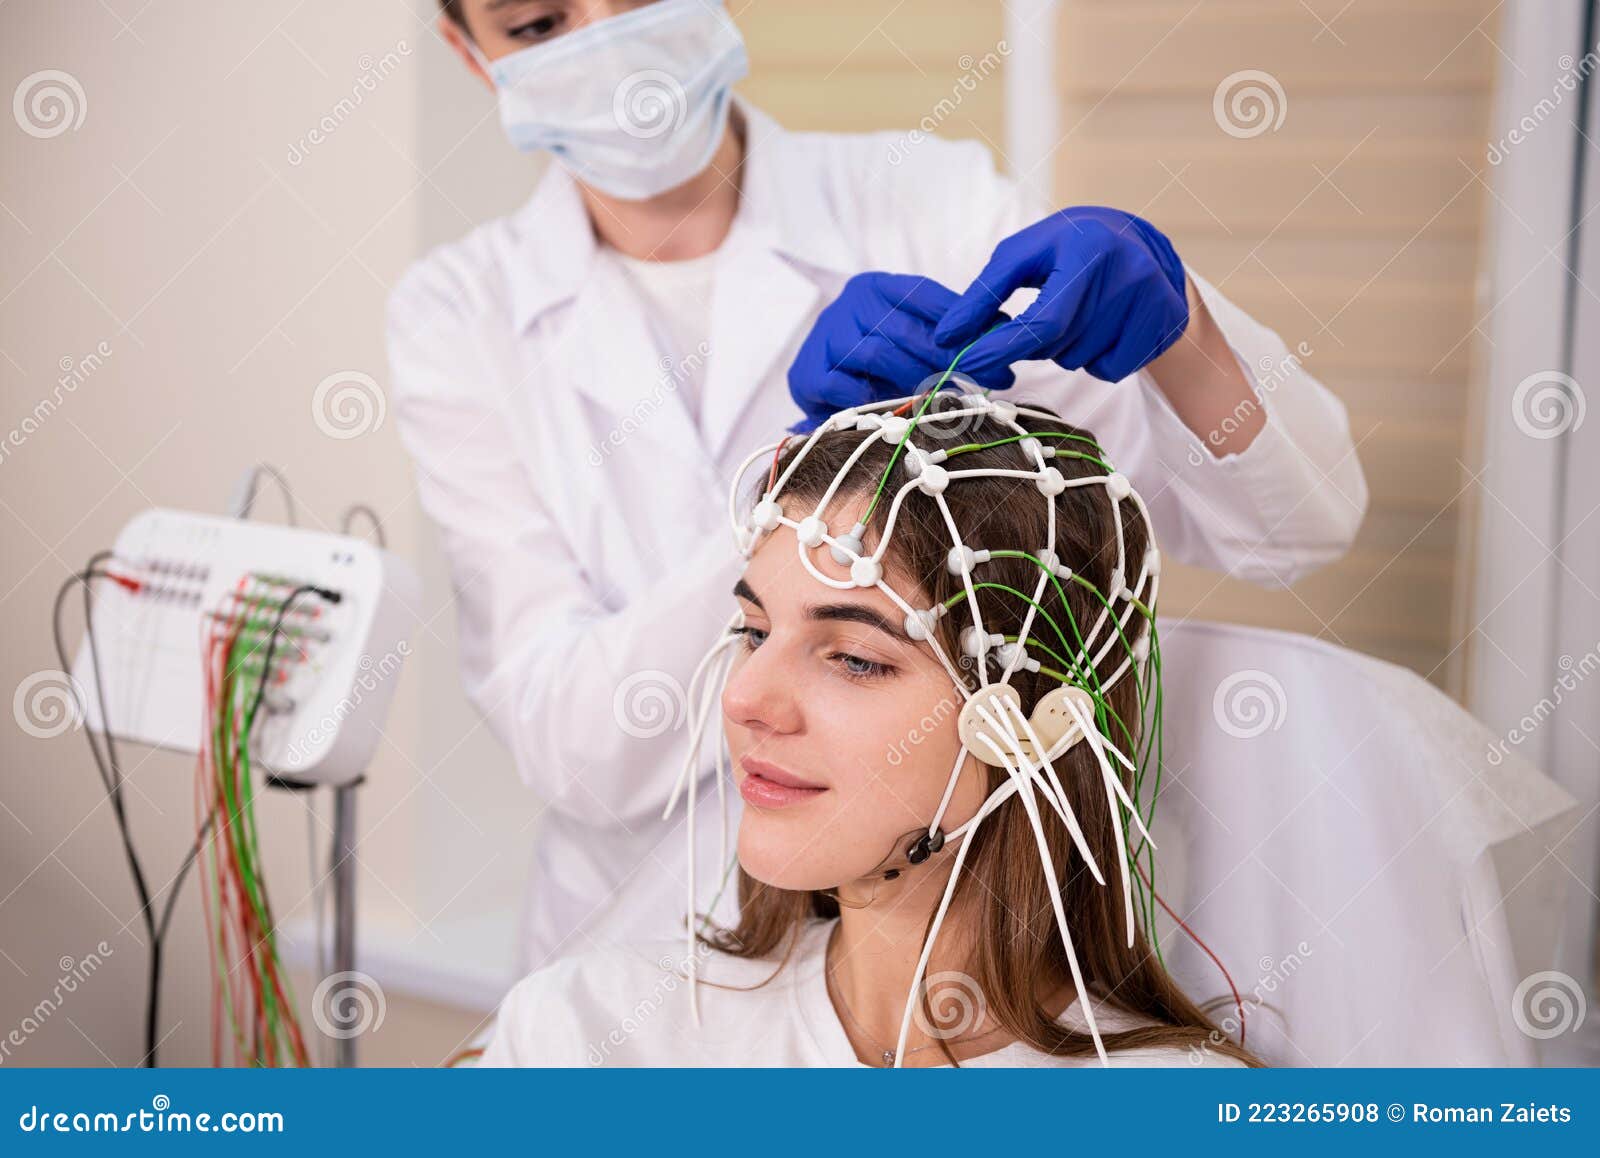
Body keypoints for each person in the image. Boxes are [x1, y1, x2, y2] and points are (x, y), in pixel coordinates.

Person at [387, 0, 1369, 974]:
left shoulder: (926, 200)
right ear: (469, 54)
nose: (608, 40)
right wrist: (803, 471)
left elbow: (1285, 532)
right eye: (538, 21)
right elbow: (577, 746)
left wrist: (1182, 335)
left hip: (963, 927)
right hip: (645, 951)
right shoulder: (458, 315)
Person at [480, 397, 1260, 1067]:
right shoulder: (582, 1034)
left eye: (853, 659)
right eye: (754, 632)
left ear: (1035, 722)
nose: (747, 699)